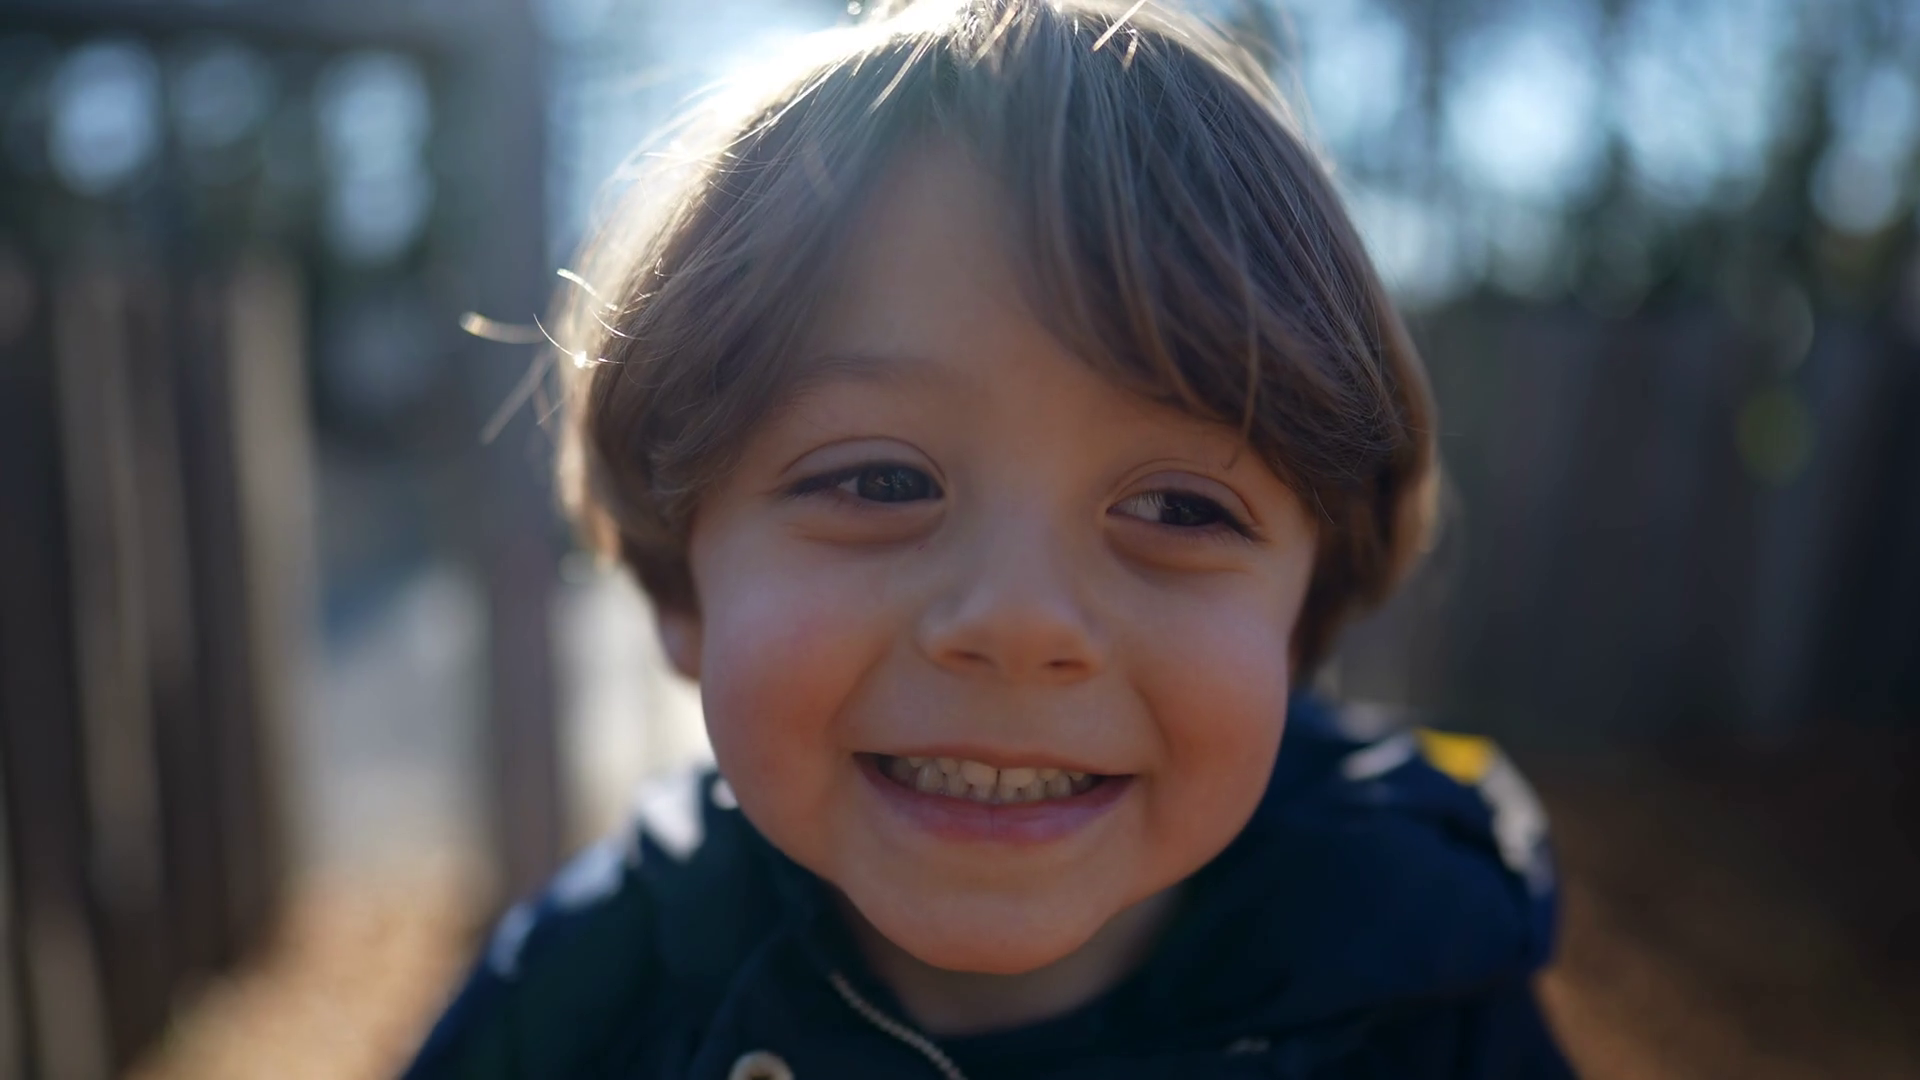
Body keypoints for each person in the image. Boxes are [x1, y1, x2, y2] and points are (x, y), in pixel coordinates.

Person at [404, 1, 1572, 1076]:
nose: (1020, 623)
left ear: (1300, 621)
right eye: (878, 479)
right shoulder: (575, 1013)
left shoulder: (1434, 1009)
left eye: (1178, 508)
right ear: (681, 590)